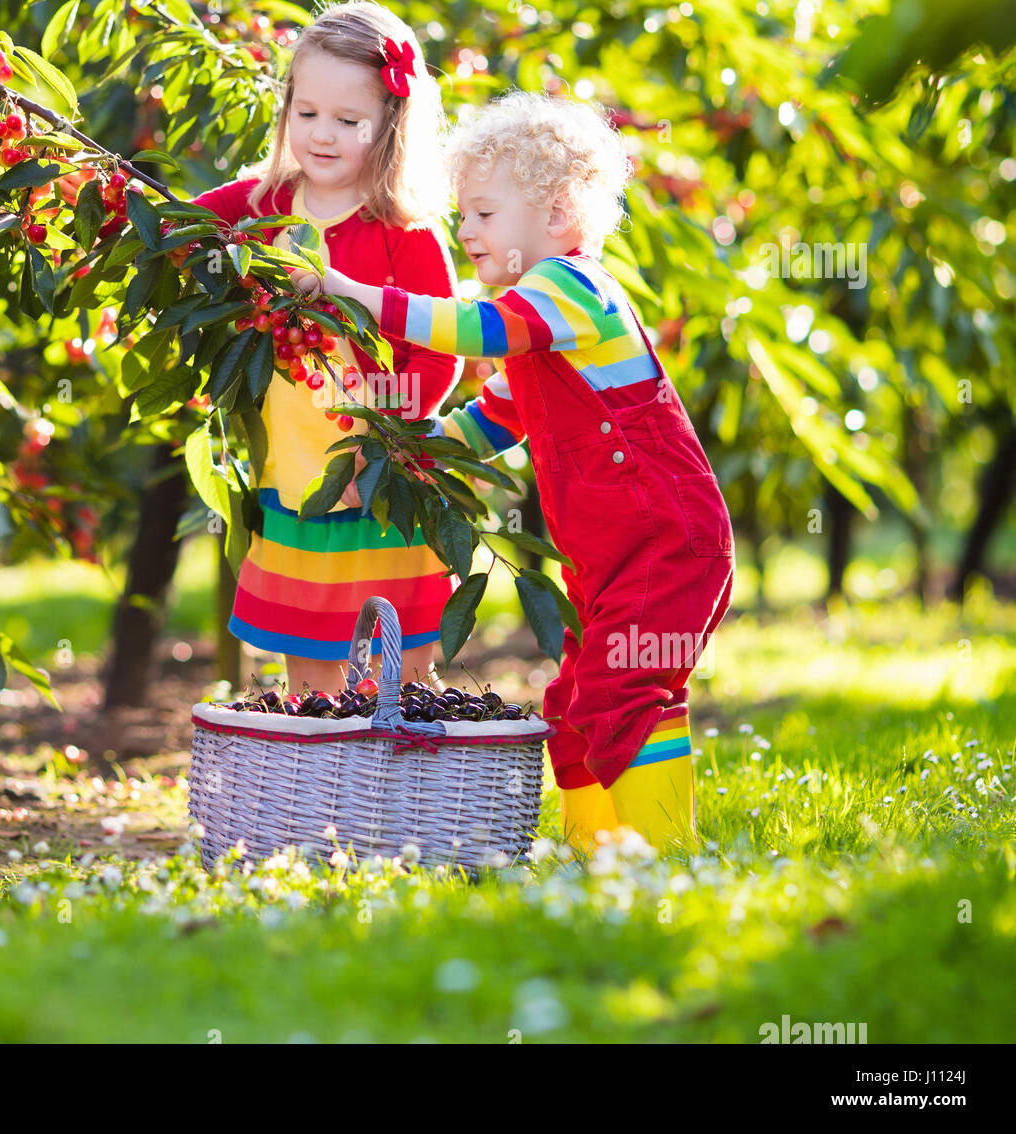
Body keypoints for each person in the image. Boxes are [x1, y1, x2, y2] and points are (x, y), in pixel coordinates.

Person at [288, 90, 735, 853]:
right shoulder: (545, 328)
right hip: (609, 554)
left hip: (666, 540)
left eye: (485, 215)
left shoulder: (571, 290)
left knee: (623, 689)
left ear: (560, 214)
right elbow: (492, 420)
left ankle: (663, 858)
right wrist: (409, 456)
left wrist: (357, 294)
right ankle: (599, 857)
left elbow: (480, 330)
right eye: (464, 214)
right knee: (572, 703)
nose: (465, 231)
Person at [191, 0, 462, 696]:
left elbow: (439, 353)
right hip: (294, 471)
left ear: (390, 128)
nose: (322, 134)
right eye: (306, 113)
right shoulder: (263, 202)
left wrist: (381, 445)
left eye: (348, 121)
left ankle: (400, 792)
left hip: (376, 480)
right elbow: (174, 225)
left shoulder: (404, 232)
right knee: (308, 658)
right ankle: (323, 798)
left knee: (395, 664)